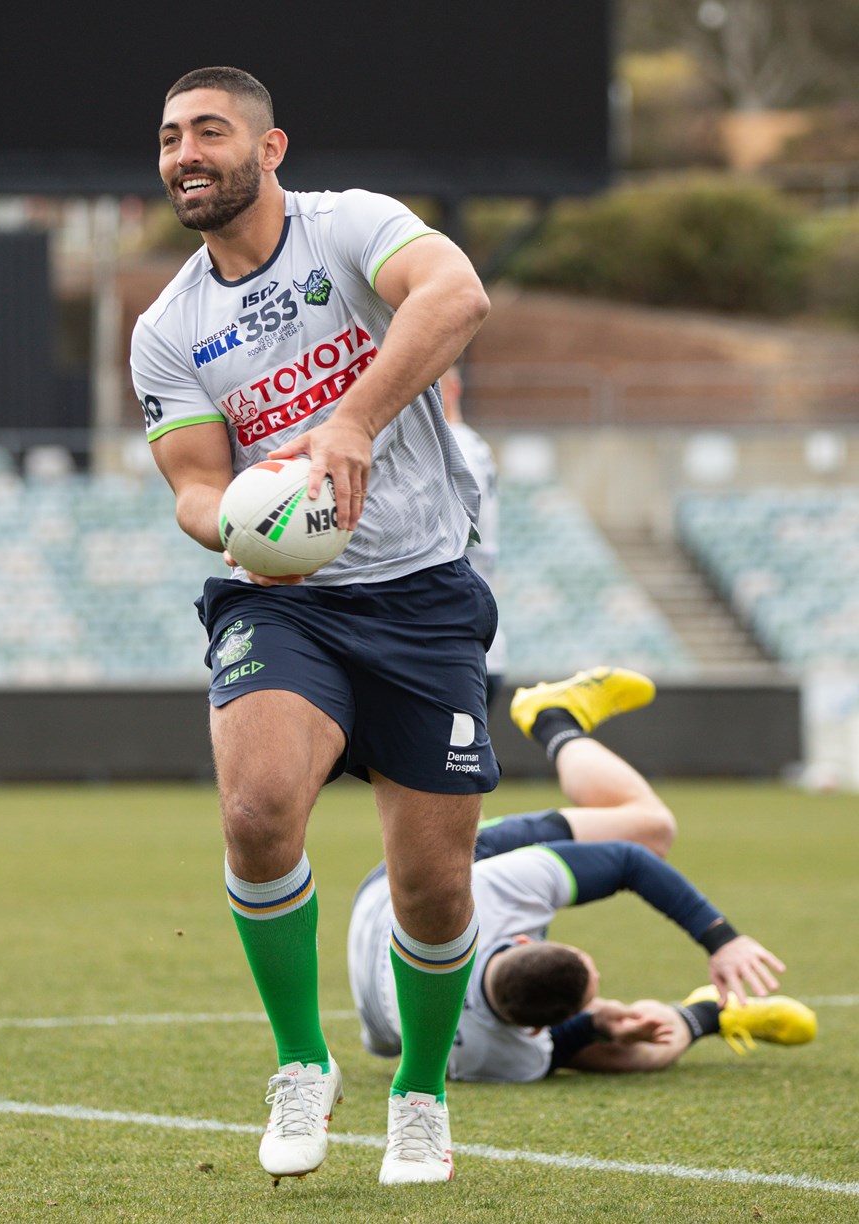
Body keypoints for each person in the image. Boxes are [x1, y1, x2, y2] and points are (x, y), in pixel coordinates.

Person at [130, 66, 495, 1186]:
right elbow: (193, 485)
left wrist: (350, 424)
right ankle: (302, 1063)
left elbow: (457, 294)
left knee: (433, 886)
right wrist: (238, 528)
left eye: (208, 131)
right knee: (256, 809)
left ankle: (421, 1096)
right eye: (167, 138)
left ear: (270, 146)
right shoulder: (167, 325)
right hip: (280, 601)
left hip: (424, 592)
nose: (185, 153)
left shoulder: (353, 229)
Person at [349, 666, 818, 1085]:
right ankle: (712, 1014)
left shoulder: (499, 894)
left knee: (650, 831)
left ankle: (551, 716)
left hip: (414, 887)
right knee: (630, 1050)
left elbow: (631, 860)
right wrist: (601, 1024)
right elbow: (566, 1042)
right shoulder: (505, 1057)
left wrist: (721, 939)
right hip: (373, 960)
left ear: (524, 941)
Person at [441, 363, 506, 710]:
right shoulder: (471, 443)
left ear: (452, 389)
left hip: (459, 646)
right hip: (477, 646)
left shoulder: (454, 445)